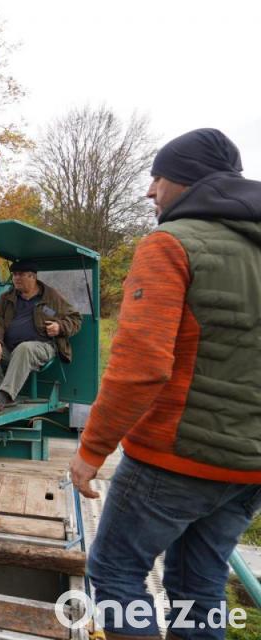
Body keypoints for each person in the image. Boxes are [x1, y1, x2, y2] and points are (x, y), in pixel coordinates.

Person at [68, 129, 261, 640]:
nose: (150, 190)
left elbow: (141, 367)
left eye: (158, 177)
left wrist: (91, 450)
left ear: (187, 181)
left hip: (173, 459)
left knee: (113, 573)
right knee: (199, 584)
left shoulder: (171, 245)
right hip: (249, 468)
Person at [0, 260, 81, 417]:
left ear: (33, 277)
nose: (16, 278)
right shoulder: (7, 298)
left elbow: (75, 319)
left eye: (21, 275)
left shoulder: (50, 297)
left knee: (25, 348)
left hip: (42, 347)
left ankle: (1, 399)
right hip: (12, 350)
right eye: (14, 274)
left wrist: (60, 327)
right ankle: (1, 390)